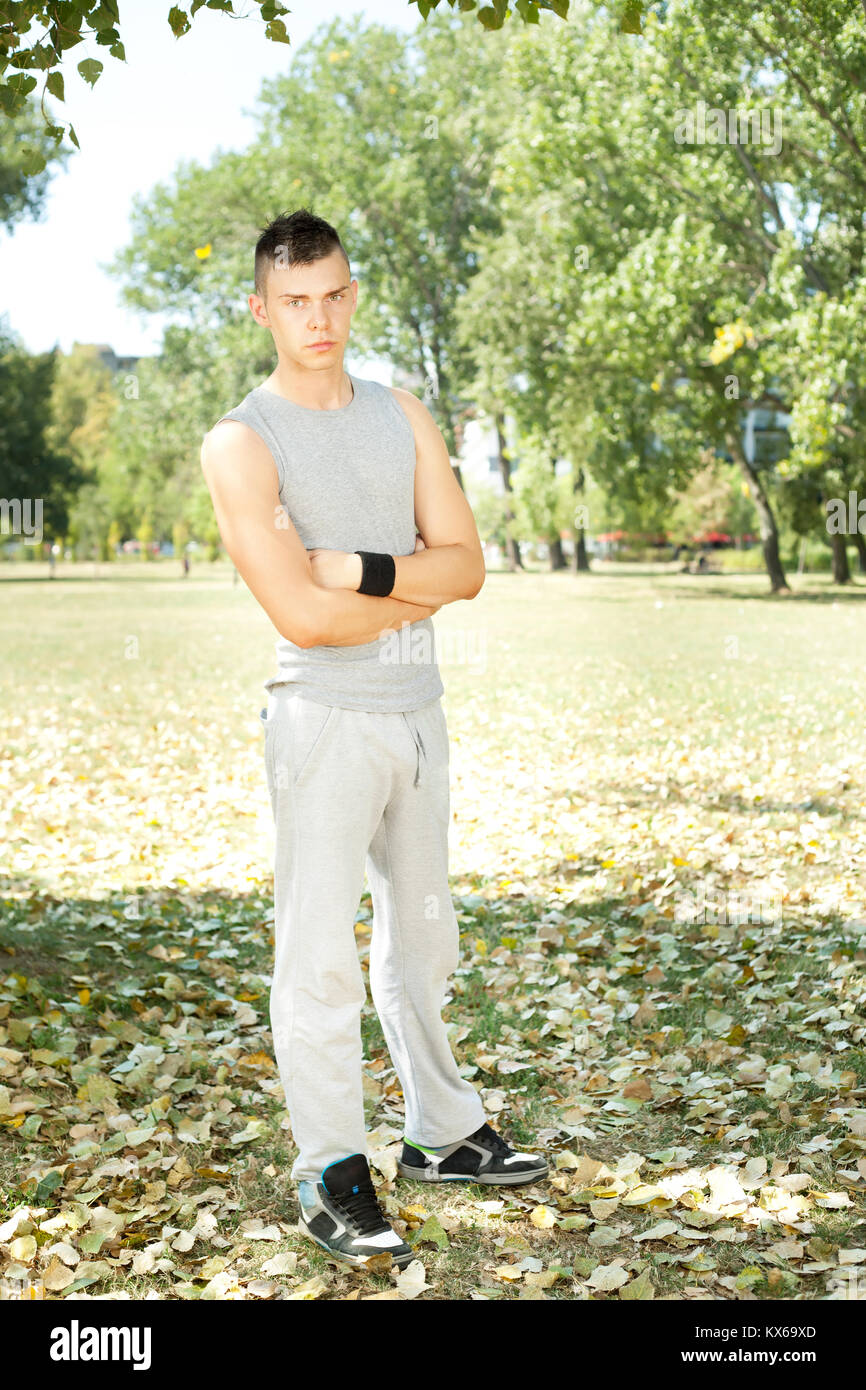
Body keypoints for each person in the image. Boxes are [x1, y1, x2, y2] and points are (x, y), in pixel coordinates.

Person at [200, 208, 548, 1269]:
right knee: (319, 957)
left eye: (335, 294)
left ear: (353, 293)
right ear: (261, 308)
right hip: (321, 723)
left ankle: (441, 1133)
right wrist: (407, 584)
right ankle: (330, 1168)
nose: (320, 317)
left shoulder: (403, 413)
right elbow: (300, 619)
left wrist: (359, 568)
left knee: (422, 939)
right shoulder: (241, 441)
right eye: (295, 300)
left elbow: (466, 566)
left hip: (418, 714)